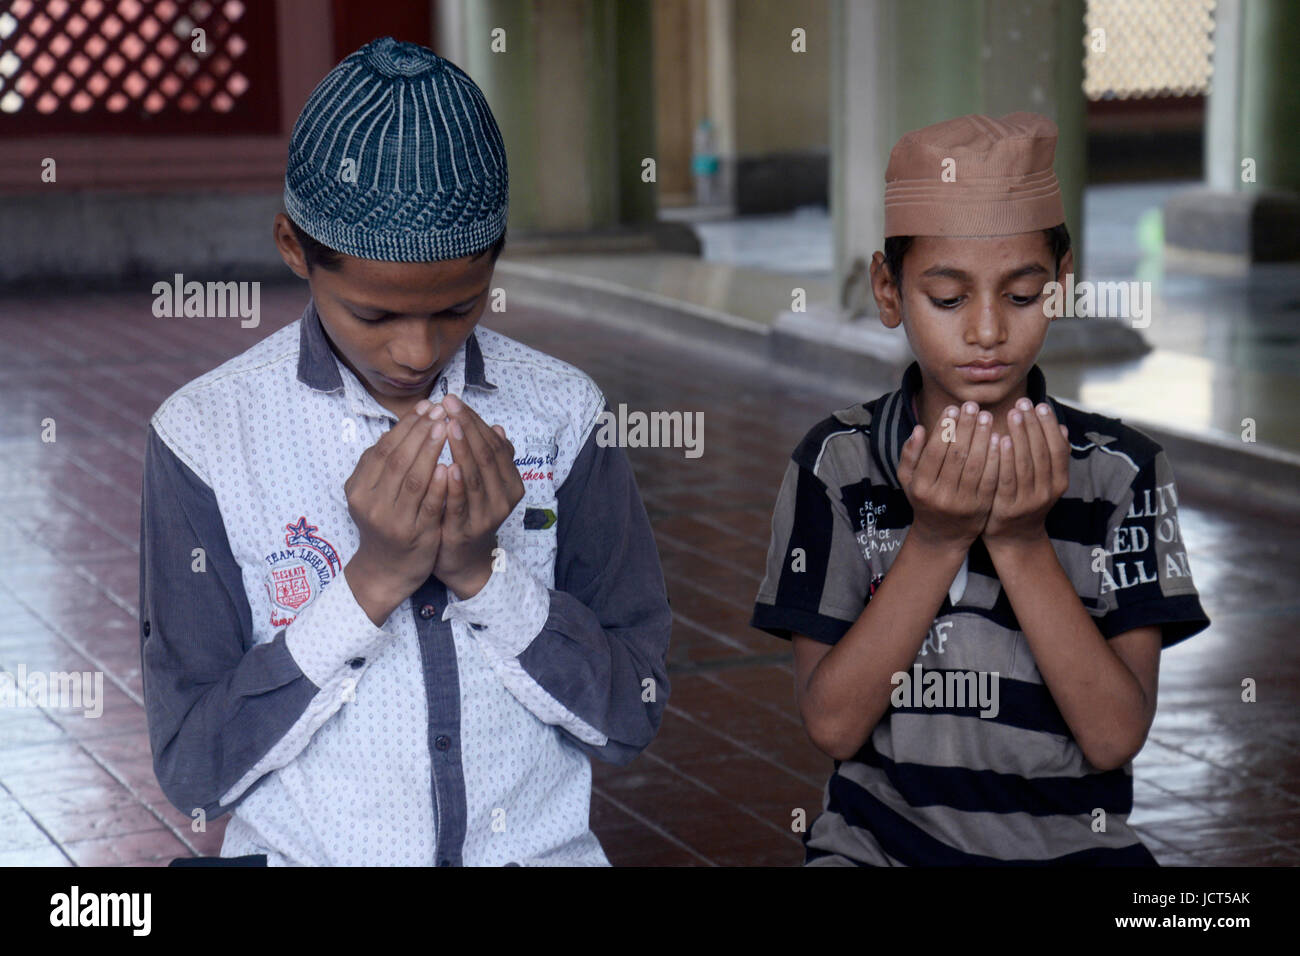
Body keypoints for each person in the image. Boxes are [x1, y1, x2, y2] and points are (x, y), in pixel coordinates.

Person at [139, 37, 672, 866]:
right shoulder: (207, 435)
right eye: (375, 316)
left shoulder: (562, 414)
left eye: (459, 308)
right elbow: (194, 767)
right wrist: (371, 582)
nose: (419, 354)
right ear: (292, 247)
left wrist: (485, 575)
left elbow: (630, 715)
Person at [750, 112, 1209, 866]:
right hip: (880, 849)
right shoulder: (837, 465)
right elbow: (832, 725)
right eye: (950, 299)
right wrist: (934, 540)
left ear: (1061, 287)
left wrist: (1023, 544)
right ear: (888, 290)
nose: (988, 331)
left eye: (1023, 296)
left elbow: (1113, 735)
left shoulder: (1123, 471)